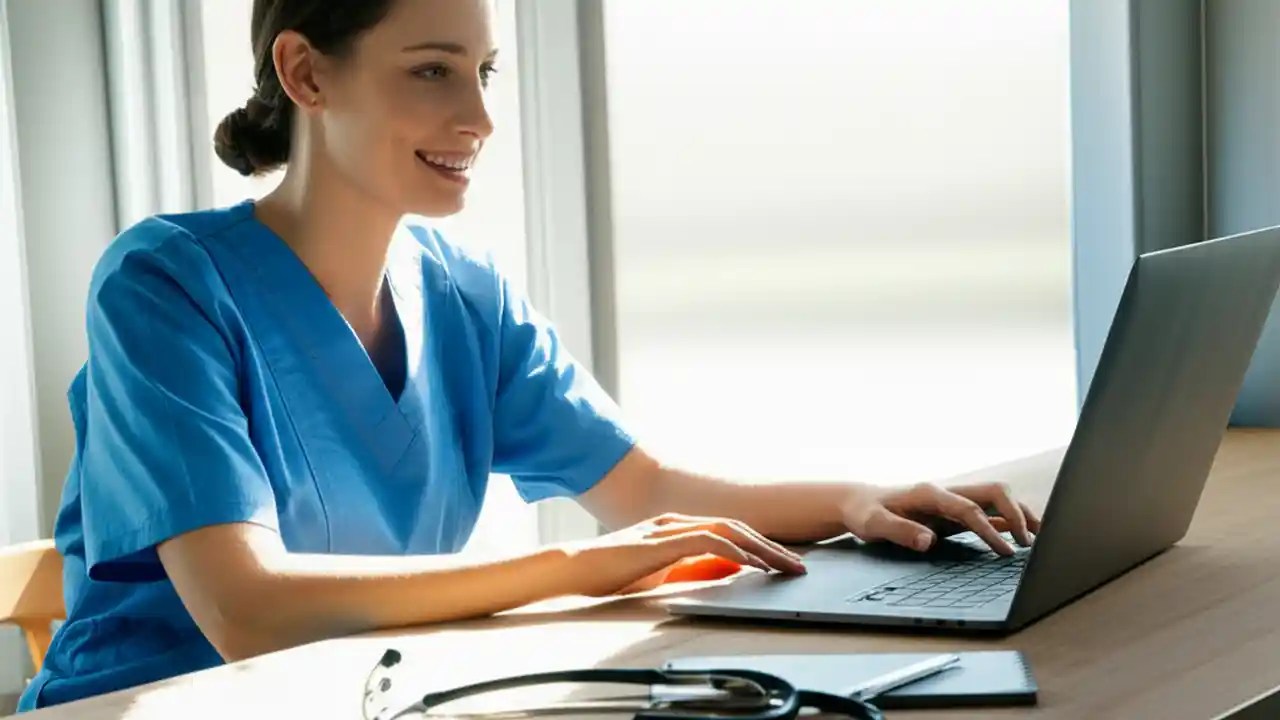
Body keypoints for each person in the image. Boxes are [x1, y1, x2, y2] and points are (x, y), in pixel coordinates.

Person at [17, 0, 1041, 711]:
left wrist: (858, 500)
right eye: (430, 71)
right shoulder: (164, 284)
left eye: (481, 71)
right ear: (304, 72)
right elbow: (245, 613)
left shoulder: (462, 289)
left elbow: (642, 490)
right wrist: (568, 571)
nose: (478, 117)